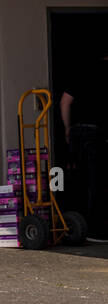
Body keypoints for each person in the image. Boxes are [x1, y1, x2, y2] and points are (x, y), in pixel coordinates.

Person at [58, 56, 108, 240]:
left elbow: (64, 102)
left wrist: (67, 129)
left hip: (79, 132)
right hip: (98, 133)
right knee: (98, 181)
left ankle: (78, 225)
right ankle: (96, 228)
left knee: (80, 179)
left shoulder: (81, 73)